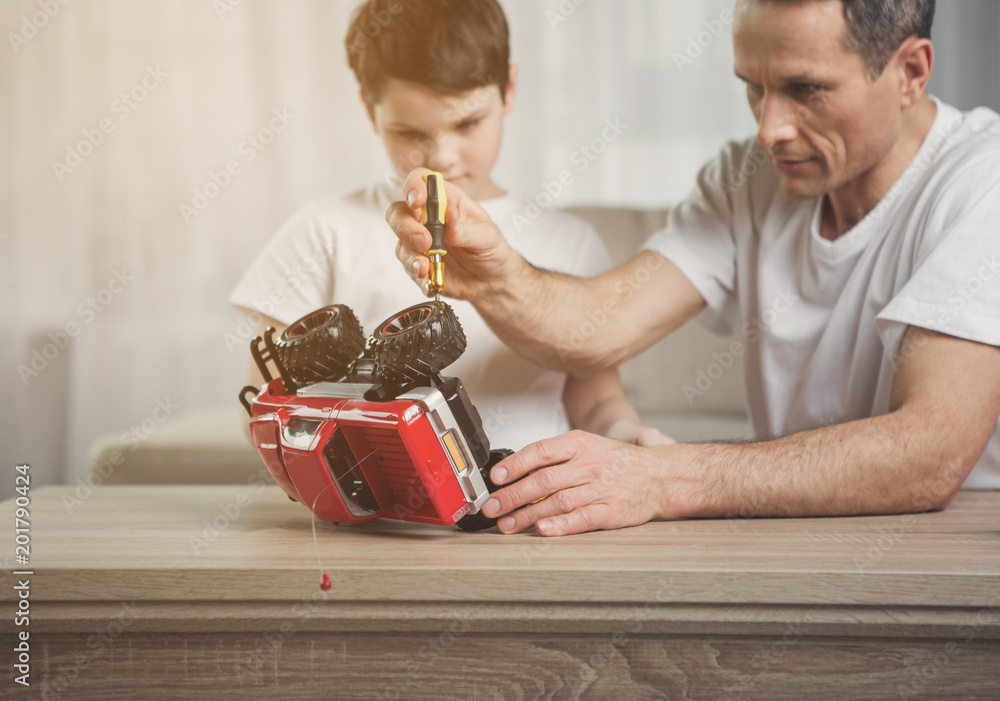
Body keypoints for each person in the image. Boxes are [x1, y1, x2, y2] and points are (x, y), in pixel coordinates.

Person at [388, 0, 1000, 536]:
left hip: (952, 554)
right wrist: (496, 276)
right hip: (787, 537)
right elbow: (598, 329)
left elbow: (929, 453)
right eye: (754, 86)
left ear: (910, 72)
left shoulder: (981, 181)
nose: (768, 129)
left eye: (806, 89)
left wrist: (661, 478)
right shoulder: (748, 180)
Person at [230, 0, 669, 453]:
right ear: (369, 109)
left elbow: (597, 403)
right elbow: (266, 405)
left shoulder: (571, 244)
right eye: (409, 133)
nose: (440, 158)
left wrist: (624, 436)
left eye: (468, 123)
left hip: (528, 504)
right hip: (371, 513)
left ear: (509, 89)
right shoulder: (321, 232)